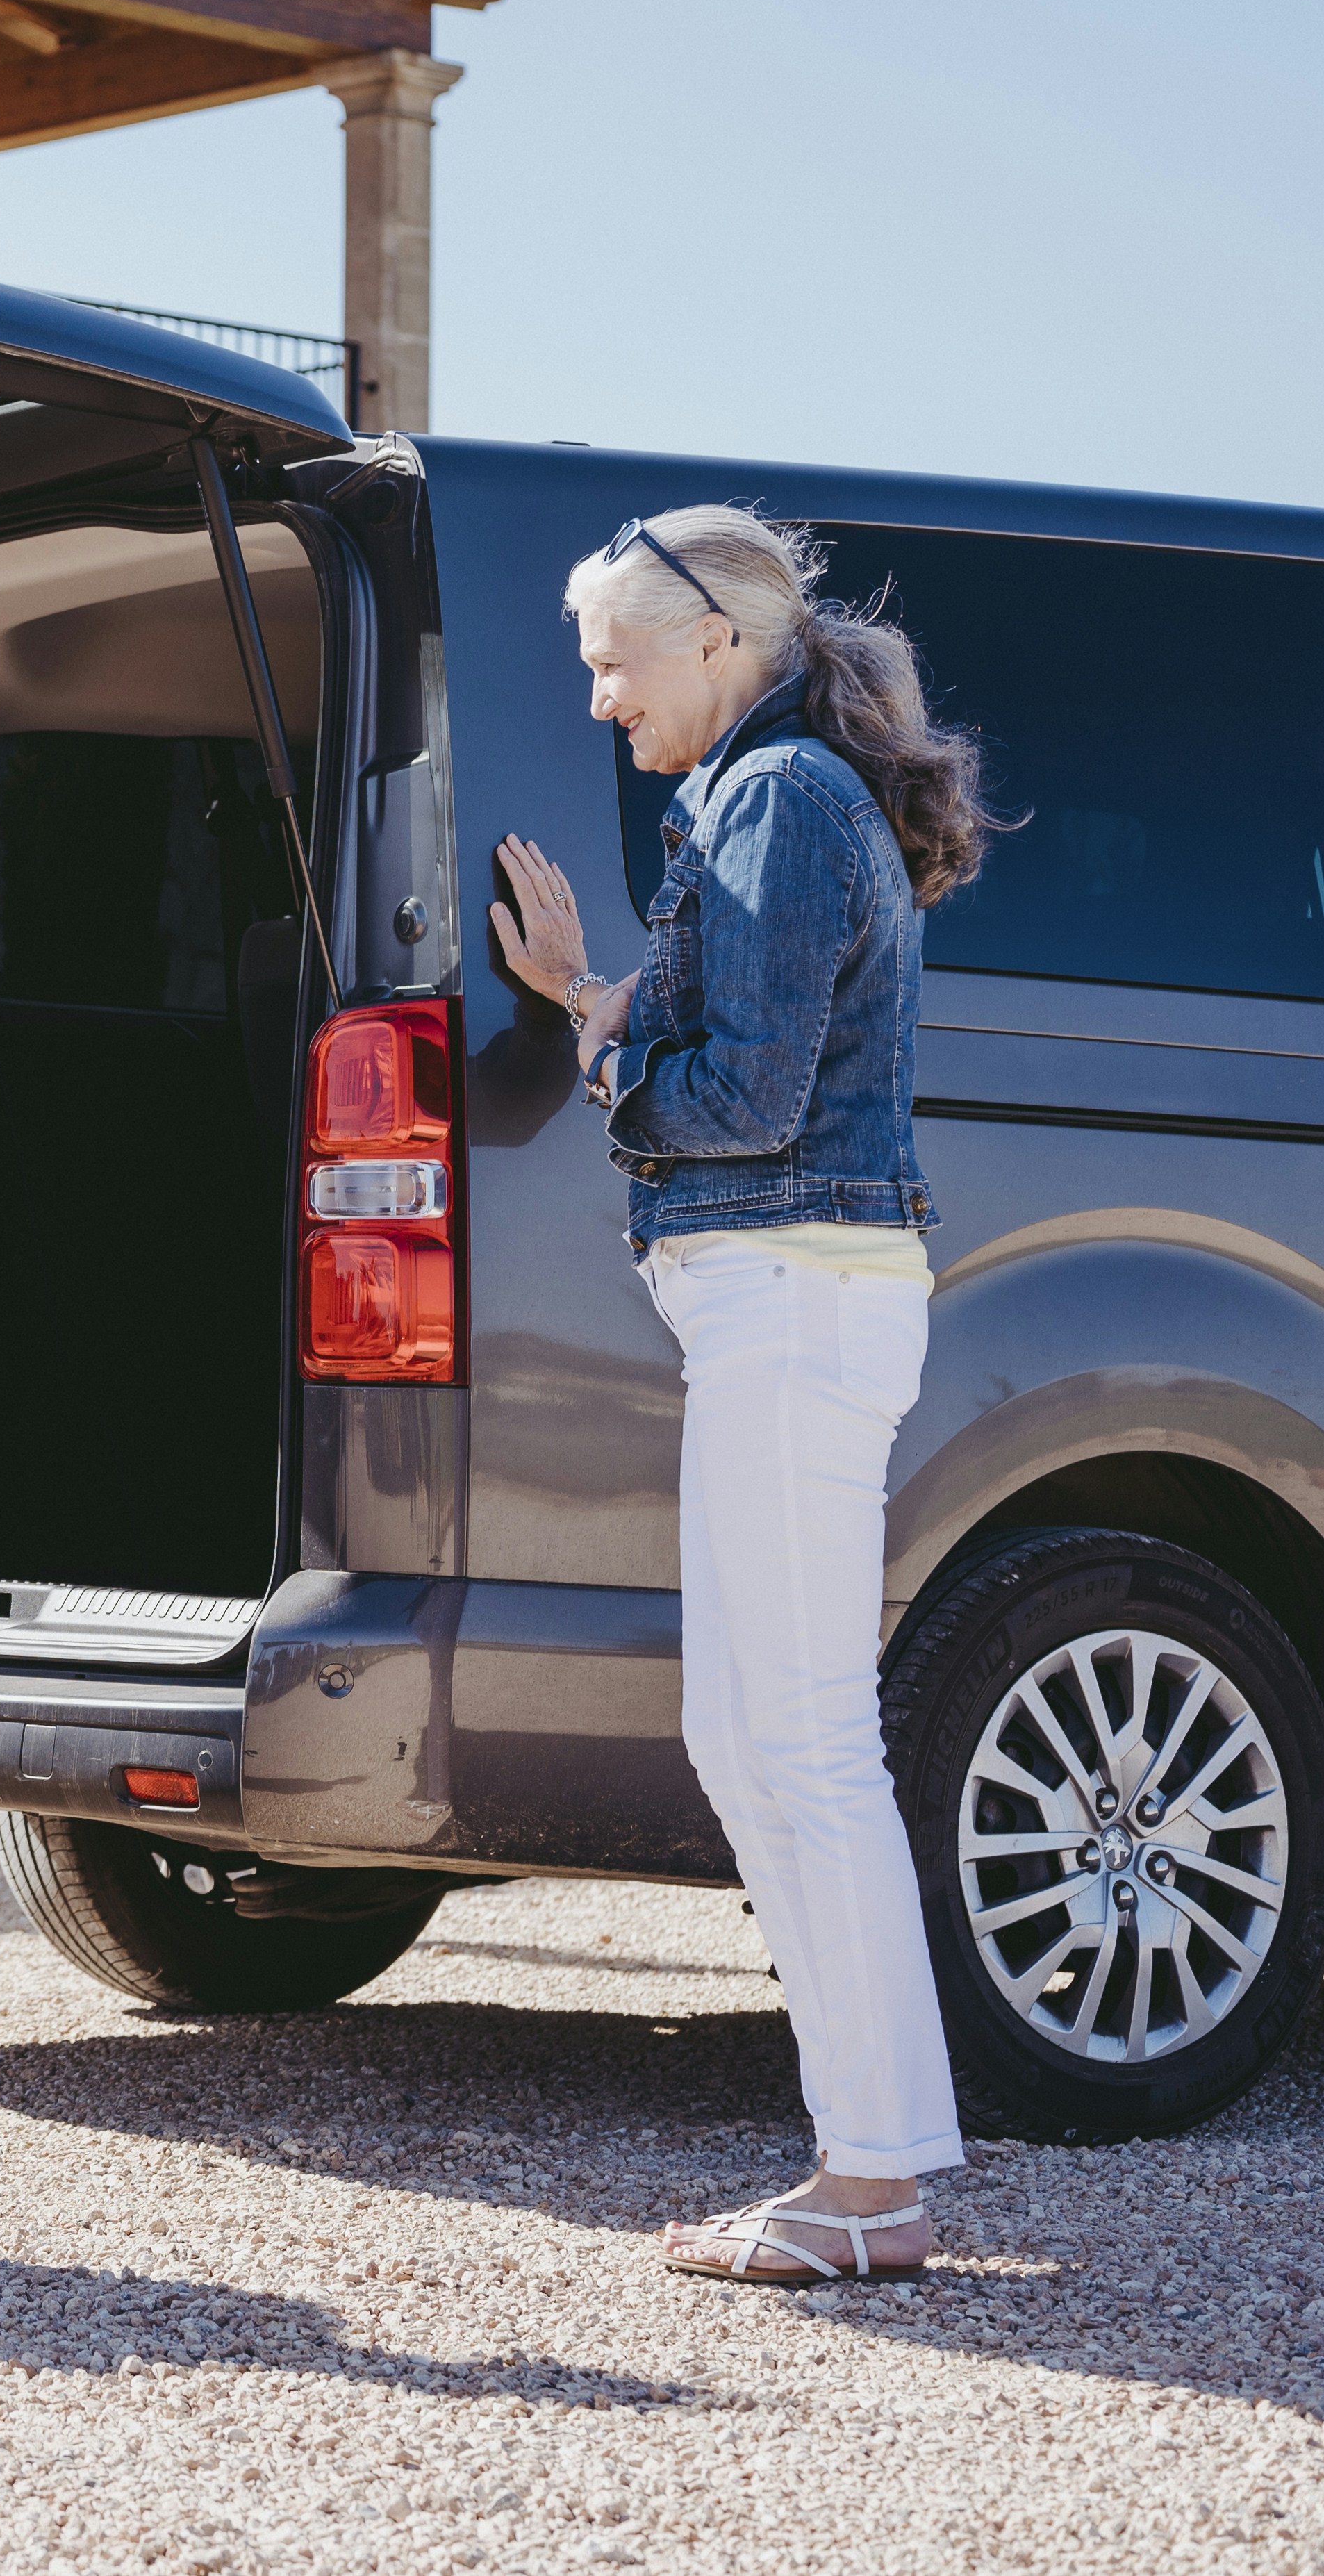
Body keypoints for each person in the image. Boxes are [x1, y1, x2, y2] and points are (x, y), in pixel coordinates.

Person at [490, 506, 1000, 2284]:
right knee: (747, 1735)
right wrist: (586, 993)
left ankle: (873, 2185)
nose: (599, 700)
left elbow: (748, 1095)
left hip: (793, 1300)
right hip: (777, 1306)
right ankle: (870, 2161)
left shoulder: (777, 796)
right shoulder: (772, 793)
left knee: (802, 1742)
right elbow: (747, 1024)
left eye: (613, 664)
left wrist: (609, 1060)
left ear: (714, 640)